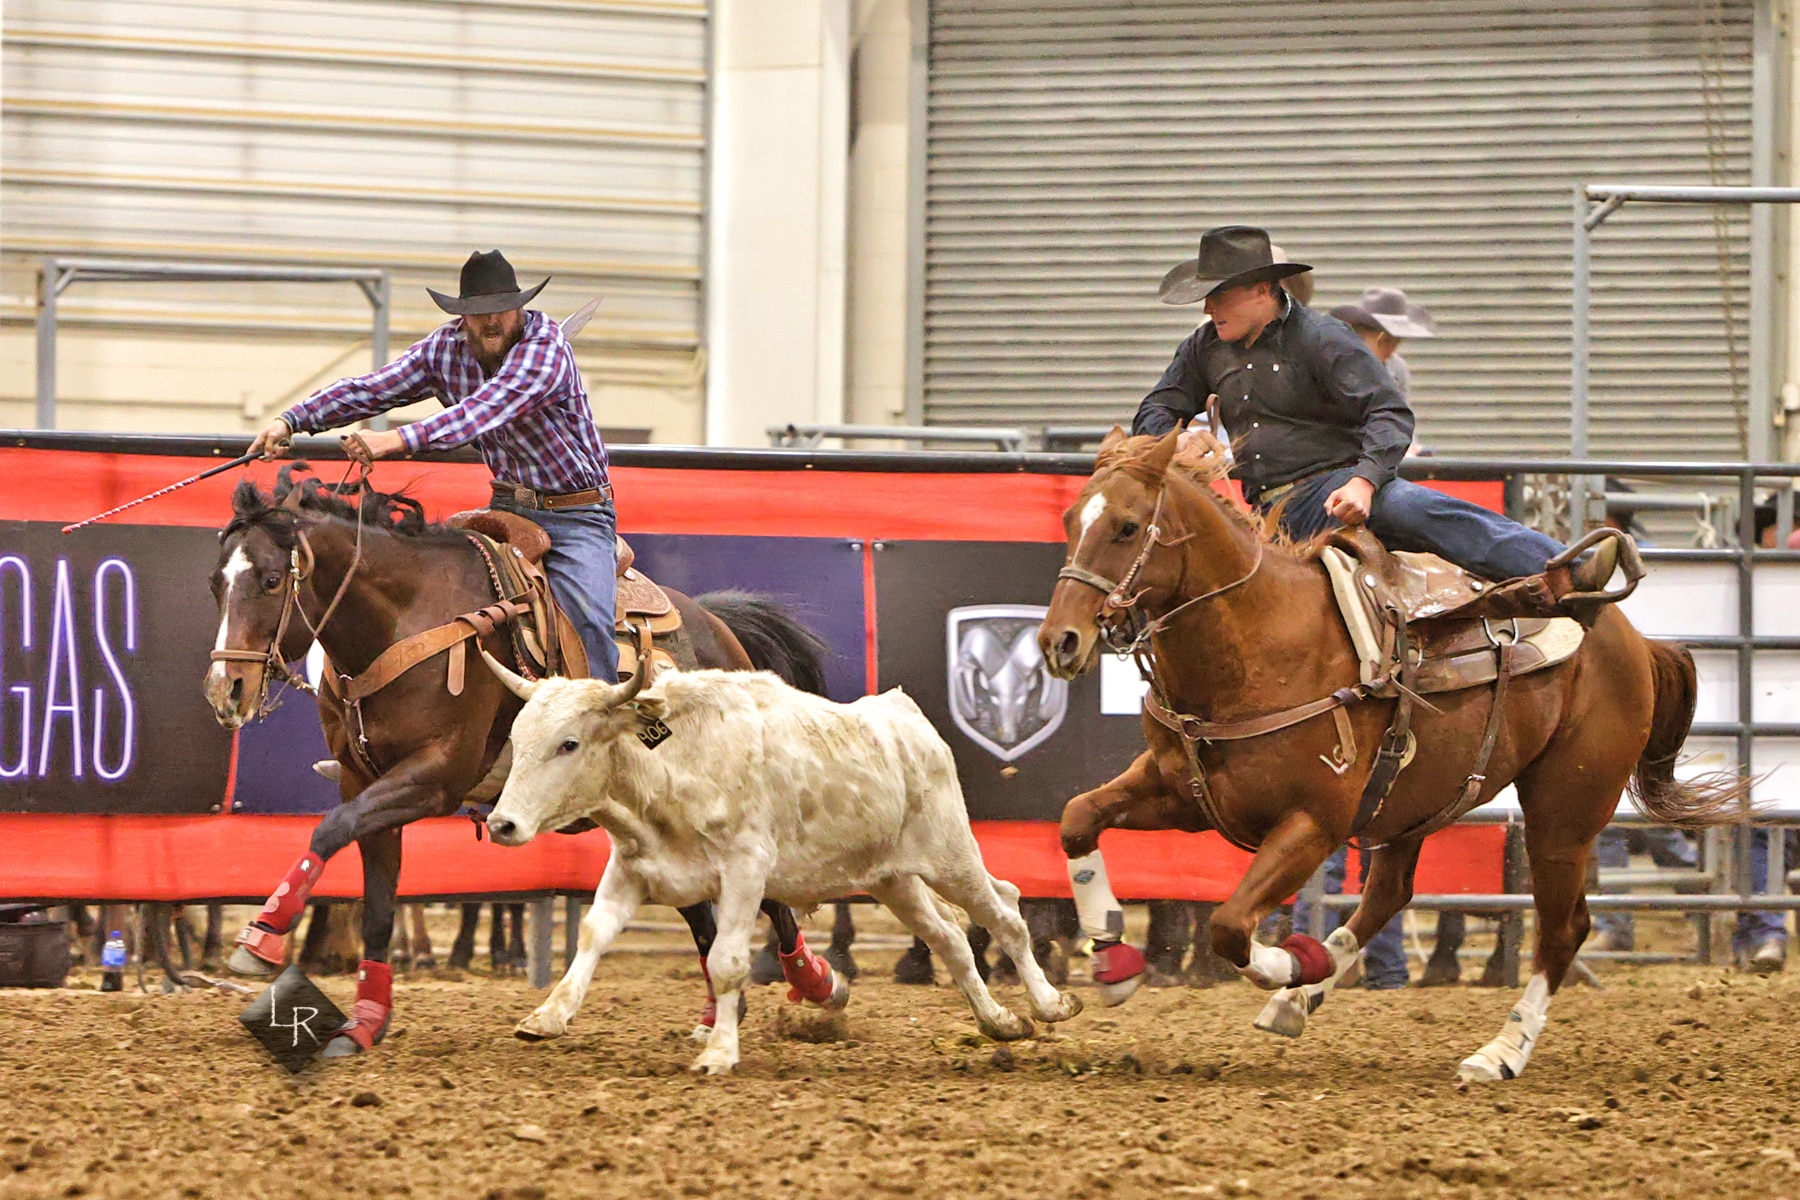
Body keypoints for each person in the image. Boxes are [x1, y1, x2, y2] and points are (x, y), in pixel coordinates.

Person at [1132, 225, 1617, 601]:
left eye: (1220, 294)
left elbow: (1388, 412)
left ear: (1262, 290)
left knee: (1416, 508)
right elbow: (1155, 408)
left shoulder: (1322, 337)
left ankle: (1567, 568)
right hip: (1261, 511)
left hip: (1333, 490)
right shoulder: (1204, 347)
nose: (1209, 306)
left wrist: (1363, 481)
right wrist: (1174, 439)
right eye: (1208, 296)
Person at [249, 249, 619, 682]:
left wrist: (394, 440)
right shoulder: (445, 349)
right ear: (462, 316)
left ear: (520, 308)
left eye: (500, 309)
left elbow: (481, 410)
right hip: (505, 506)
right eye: (478, 313)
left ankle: (605, 719)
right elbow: (372, 388)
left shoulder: (546, 350)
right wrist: (293, 419)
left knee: (588, 622)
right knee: (442, 599)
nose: (491, 320)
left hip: (577, 516)